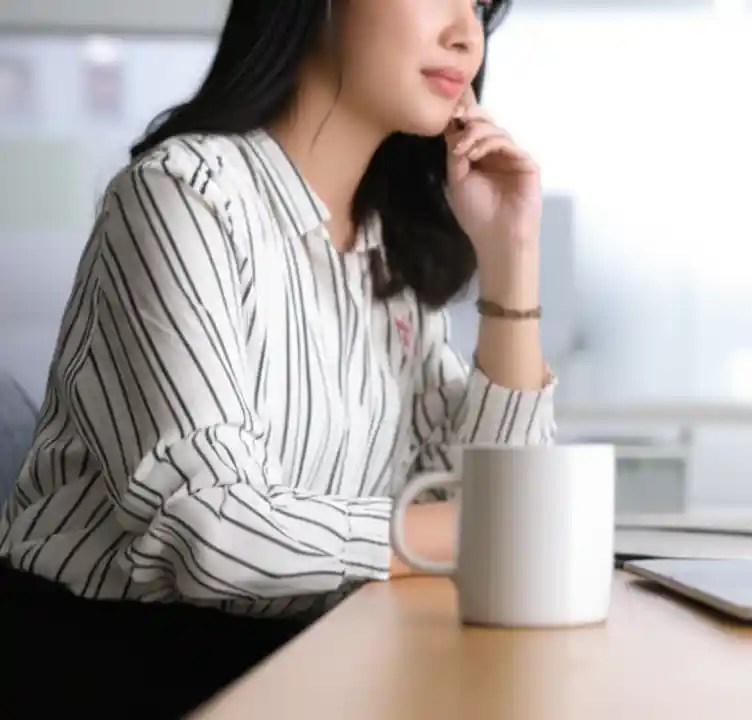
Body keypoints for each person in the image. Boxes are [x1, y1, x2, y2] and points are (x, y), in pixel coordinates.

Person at [0, 1, 554, 716]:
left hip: (316, 658)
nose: (465, 33)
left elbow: (489, 495)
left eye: (479, 4)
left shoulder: (385, 251)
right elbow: (209, 528)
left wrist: (513, 258)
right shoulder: (184, 194)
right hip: (124, 671)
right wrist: (475, 528)